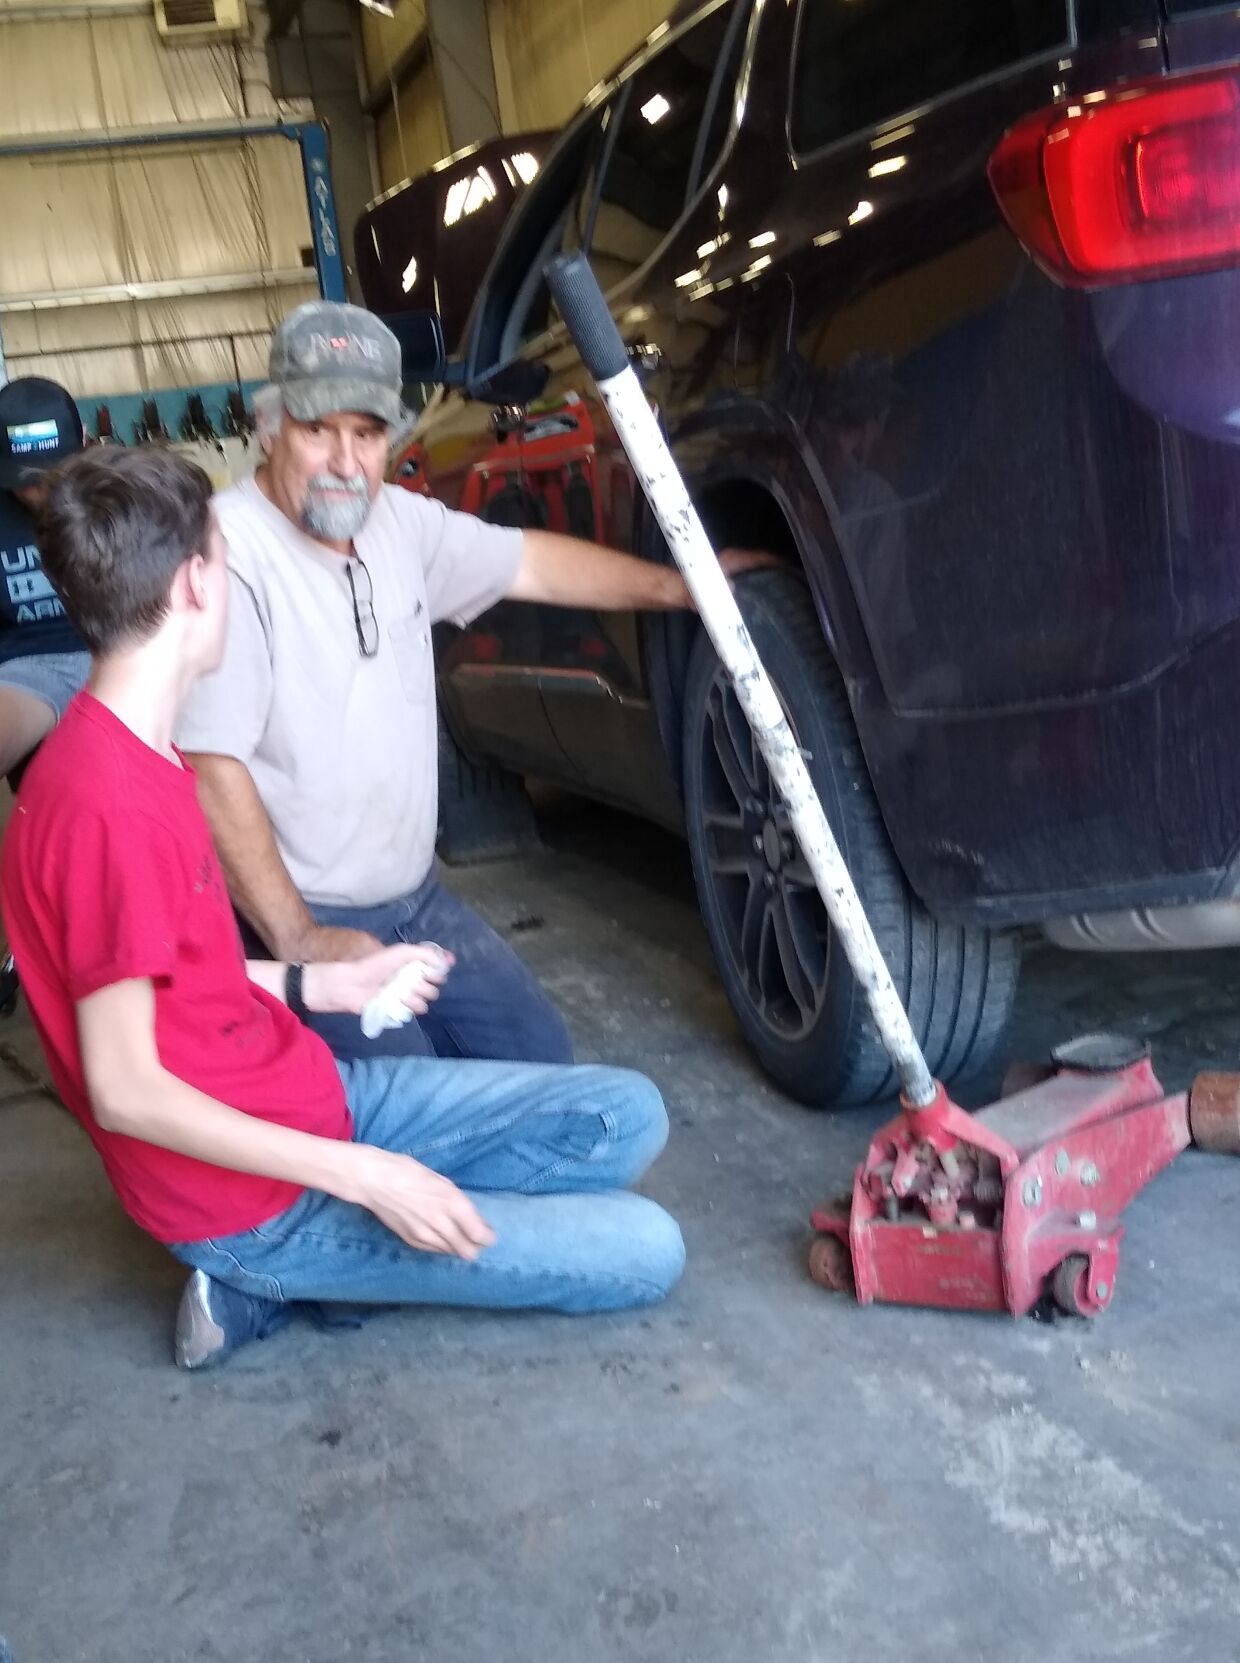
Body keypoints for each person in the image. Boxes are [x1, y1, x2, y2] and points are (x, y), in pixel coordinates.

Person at [1, 446, 684, 1371]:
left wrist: (318, 981)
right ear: (197, 583)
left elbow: (174, 980)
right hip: (246, 1202)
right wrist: (367, 1176)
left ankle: (347, 1255)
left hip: (298, 1094)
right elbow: (125, 1088)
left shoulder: (140, 751)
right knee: (645, 1248)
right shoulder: (103, 807)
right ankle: (265, 1275)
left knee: (624, 1112)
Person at [177, 300, 769, 1068]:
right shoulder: (231, 552)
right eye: (317, 430)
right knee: (410, 1104)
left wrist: (677, 586)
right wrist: (300, 940)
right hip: (294, 914)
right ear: (269, 425)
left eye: (366, 433)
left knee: (542, 1069)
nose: (344, 460)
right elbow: (212, 770)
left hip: (415, 898)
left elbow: (528, 561)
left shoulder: (398, 522)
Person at [0, 377, 89, 778]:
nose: (38, 493)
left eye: (53, 473)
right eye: (25, 481)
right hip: (28, 668)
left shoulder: (116, 495)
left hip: (119, 652)